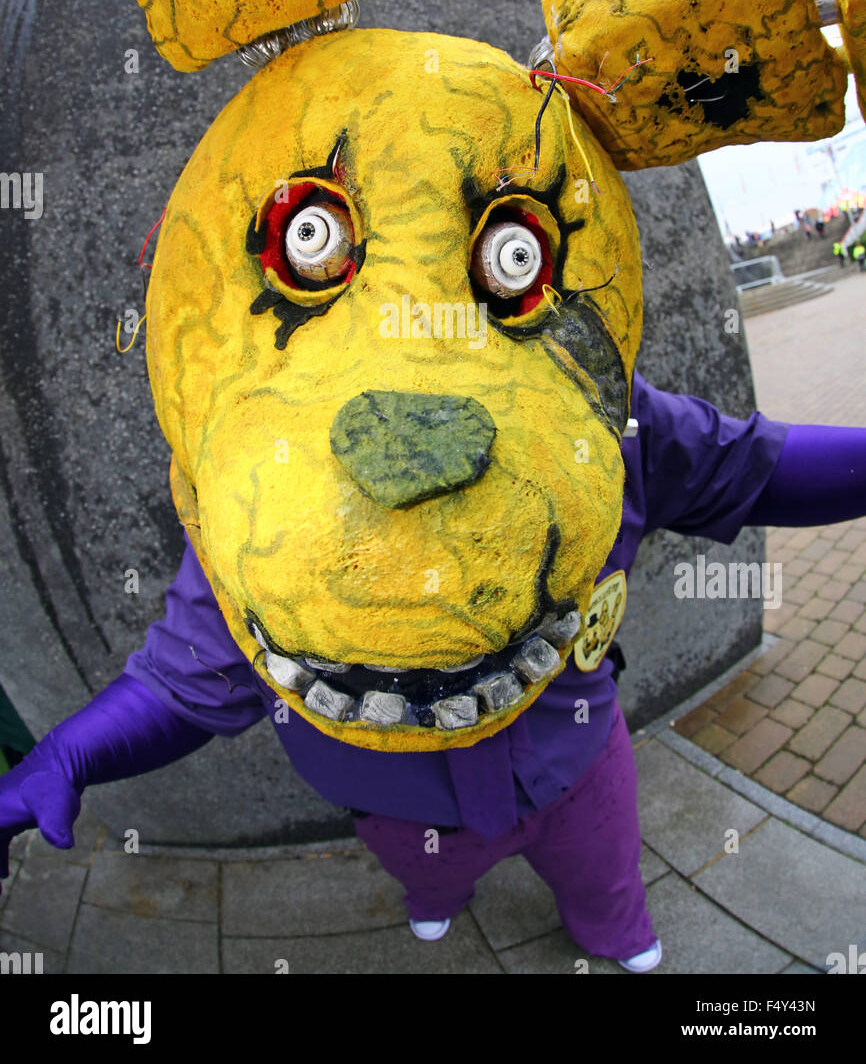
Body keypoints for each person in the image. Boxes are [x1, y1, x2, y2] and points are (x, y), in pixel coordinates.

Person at [2, 375, 865, 974]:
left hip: (581, 775)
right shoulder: (257, 489)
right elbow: (190, 672)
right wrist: (74, 754)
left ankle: (612, 929)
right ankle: (438, 896)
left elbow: (749, 466)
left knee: (606, 885)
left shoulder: (599, 413)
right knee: (428, 880)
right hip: (399, 816)